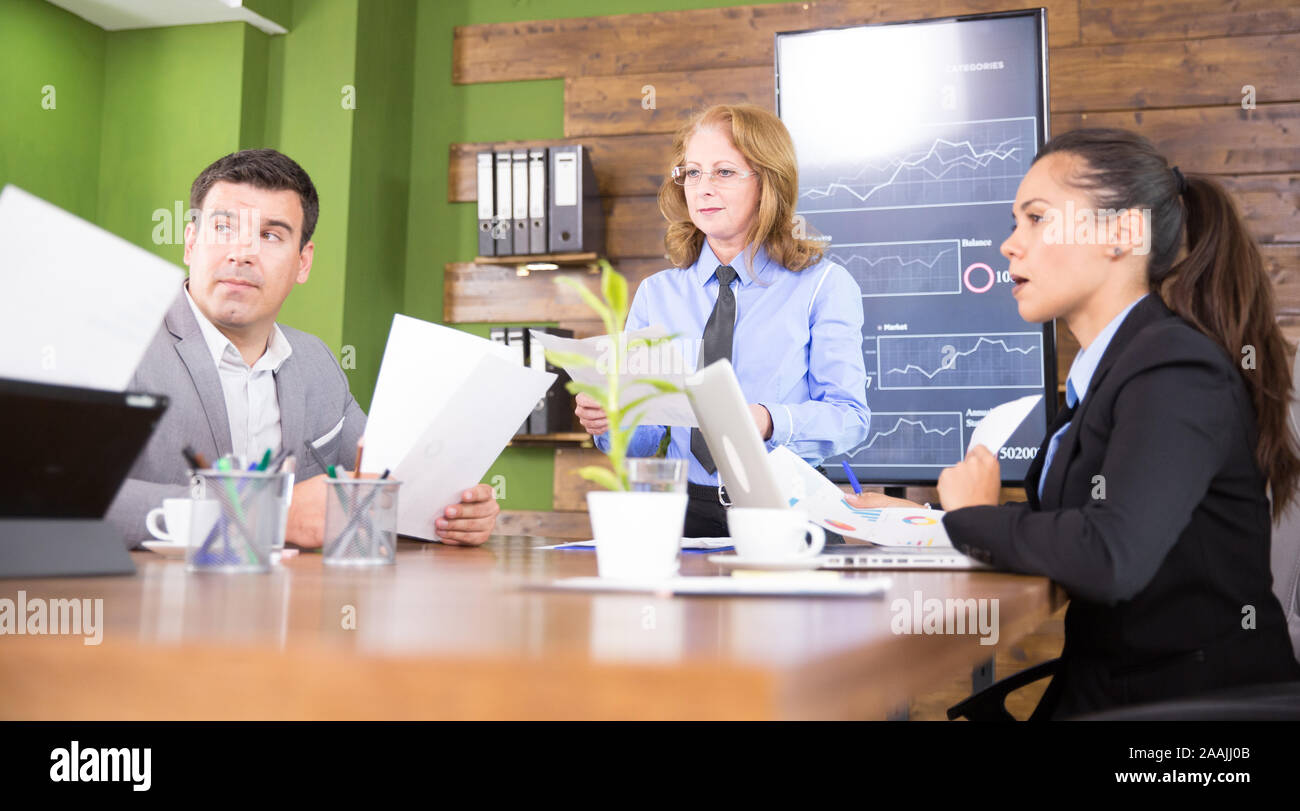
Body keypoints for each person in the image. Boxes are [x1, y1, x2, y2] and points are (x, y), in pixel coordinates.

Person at [854, 128, 1300, 716]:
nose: (1010, 245)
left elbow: (1109, 555)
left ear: (1120, 235)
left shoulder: (1175, 368)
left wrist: (972, 518)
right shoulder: (1115, 369)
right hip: (1115, 695)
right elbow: (1072, 527)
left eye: (1036, 219)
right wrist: (931, 522)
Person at [107, 149, 499, 548]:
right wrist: (263, 515)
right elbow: (70, 504)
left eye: (270, 235)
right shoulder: (116, 347)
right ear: (191, 242)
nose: (241, 253)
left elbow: (380, 486)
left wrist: (448, 513)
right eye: (223, 228)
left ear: (303, 262)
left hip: (295, 604)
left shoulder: (318, 363)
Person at [575, 104, 871, 537]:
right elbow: (646, 439)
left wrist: (768, 420)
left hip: (786, 511)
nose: (703, 188)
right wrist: (611, 420)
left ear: (768, 181)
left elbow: (850, 418)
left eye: (724, 172)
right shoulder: (657, 294)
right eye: (692, 173)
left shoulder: (825, 285)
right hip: (684, 515)